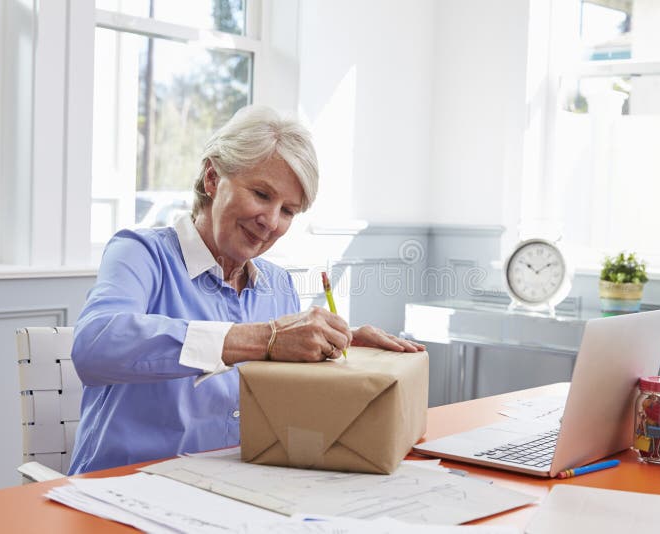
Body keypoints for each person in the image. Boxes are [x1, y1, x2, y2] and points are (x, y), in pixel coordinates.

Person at [69, 105, 424, 474]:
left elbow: (289, 401)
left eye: (288, 210)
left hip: (238, 494)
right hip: (124, 488)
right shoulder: (141, 253)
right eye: (261, 194)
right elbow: (95, 346)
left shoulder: (278, 286)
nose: (270, 221)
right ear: (211, 178)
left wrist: (336, 349)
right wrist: (265, 339)